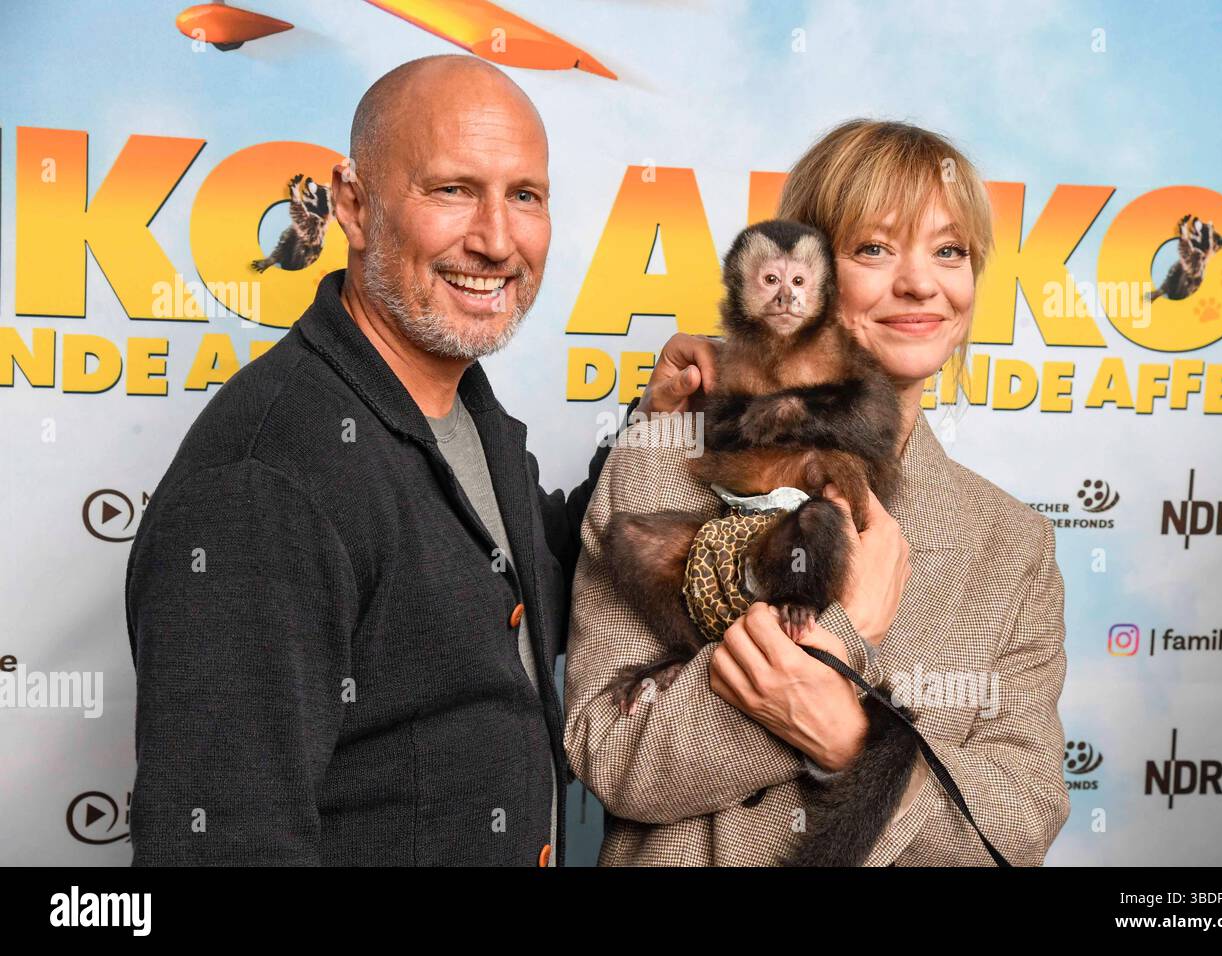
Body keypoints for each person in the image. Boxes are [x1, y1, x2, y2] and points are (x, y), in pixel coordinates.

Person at [124, 55, 711, 866]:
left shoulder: (462, 406)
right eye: (453, 190)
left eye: (525, 196)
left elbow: (542, 575)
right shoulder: (264, 482)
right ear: (353, 208)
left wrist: (653, 431)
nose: (497, 240)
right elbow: (224, 843)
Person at [564, 119, 1070, 866]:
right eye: (874, 247)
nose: (921, 282)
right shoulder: (663, 453)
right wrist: (830, 649)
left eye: (950, 250)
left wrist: (852, 745)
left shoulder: (1013, 546)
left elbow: (1020, 821)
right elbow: (608, 752)